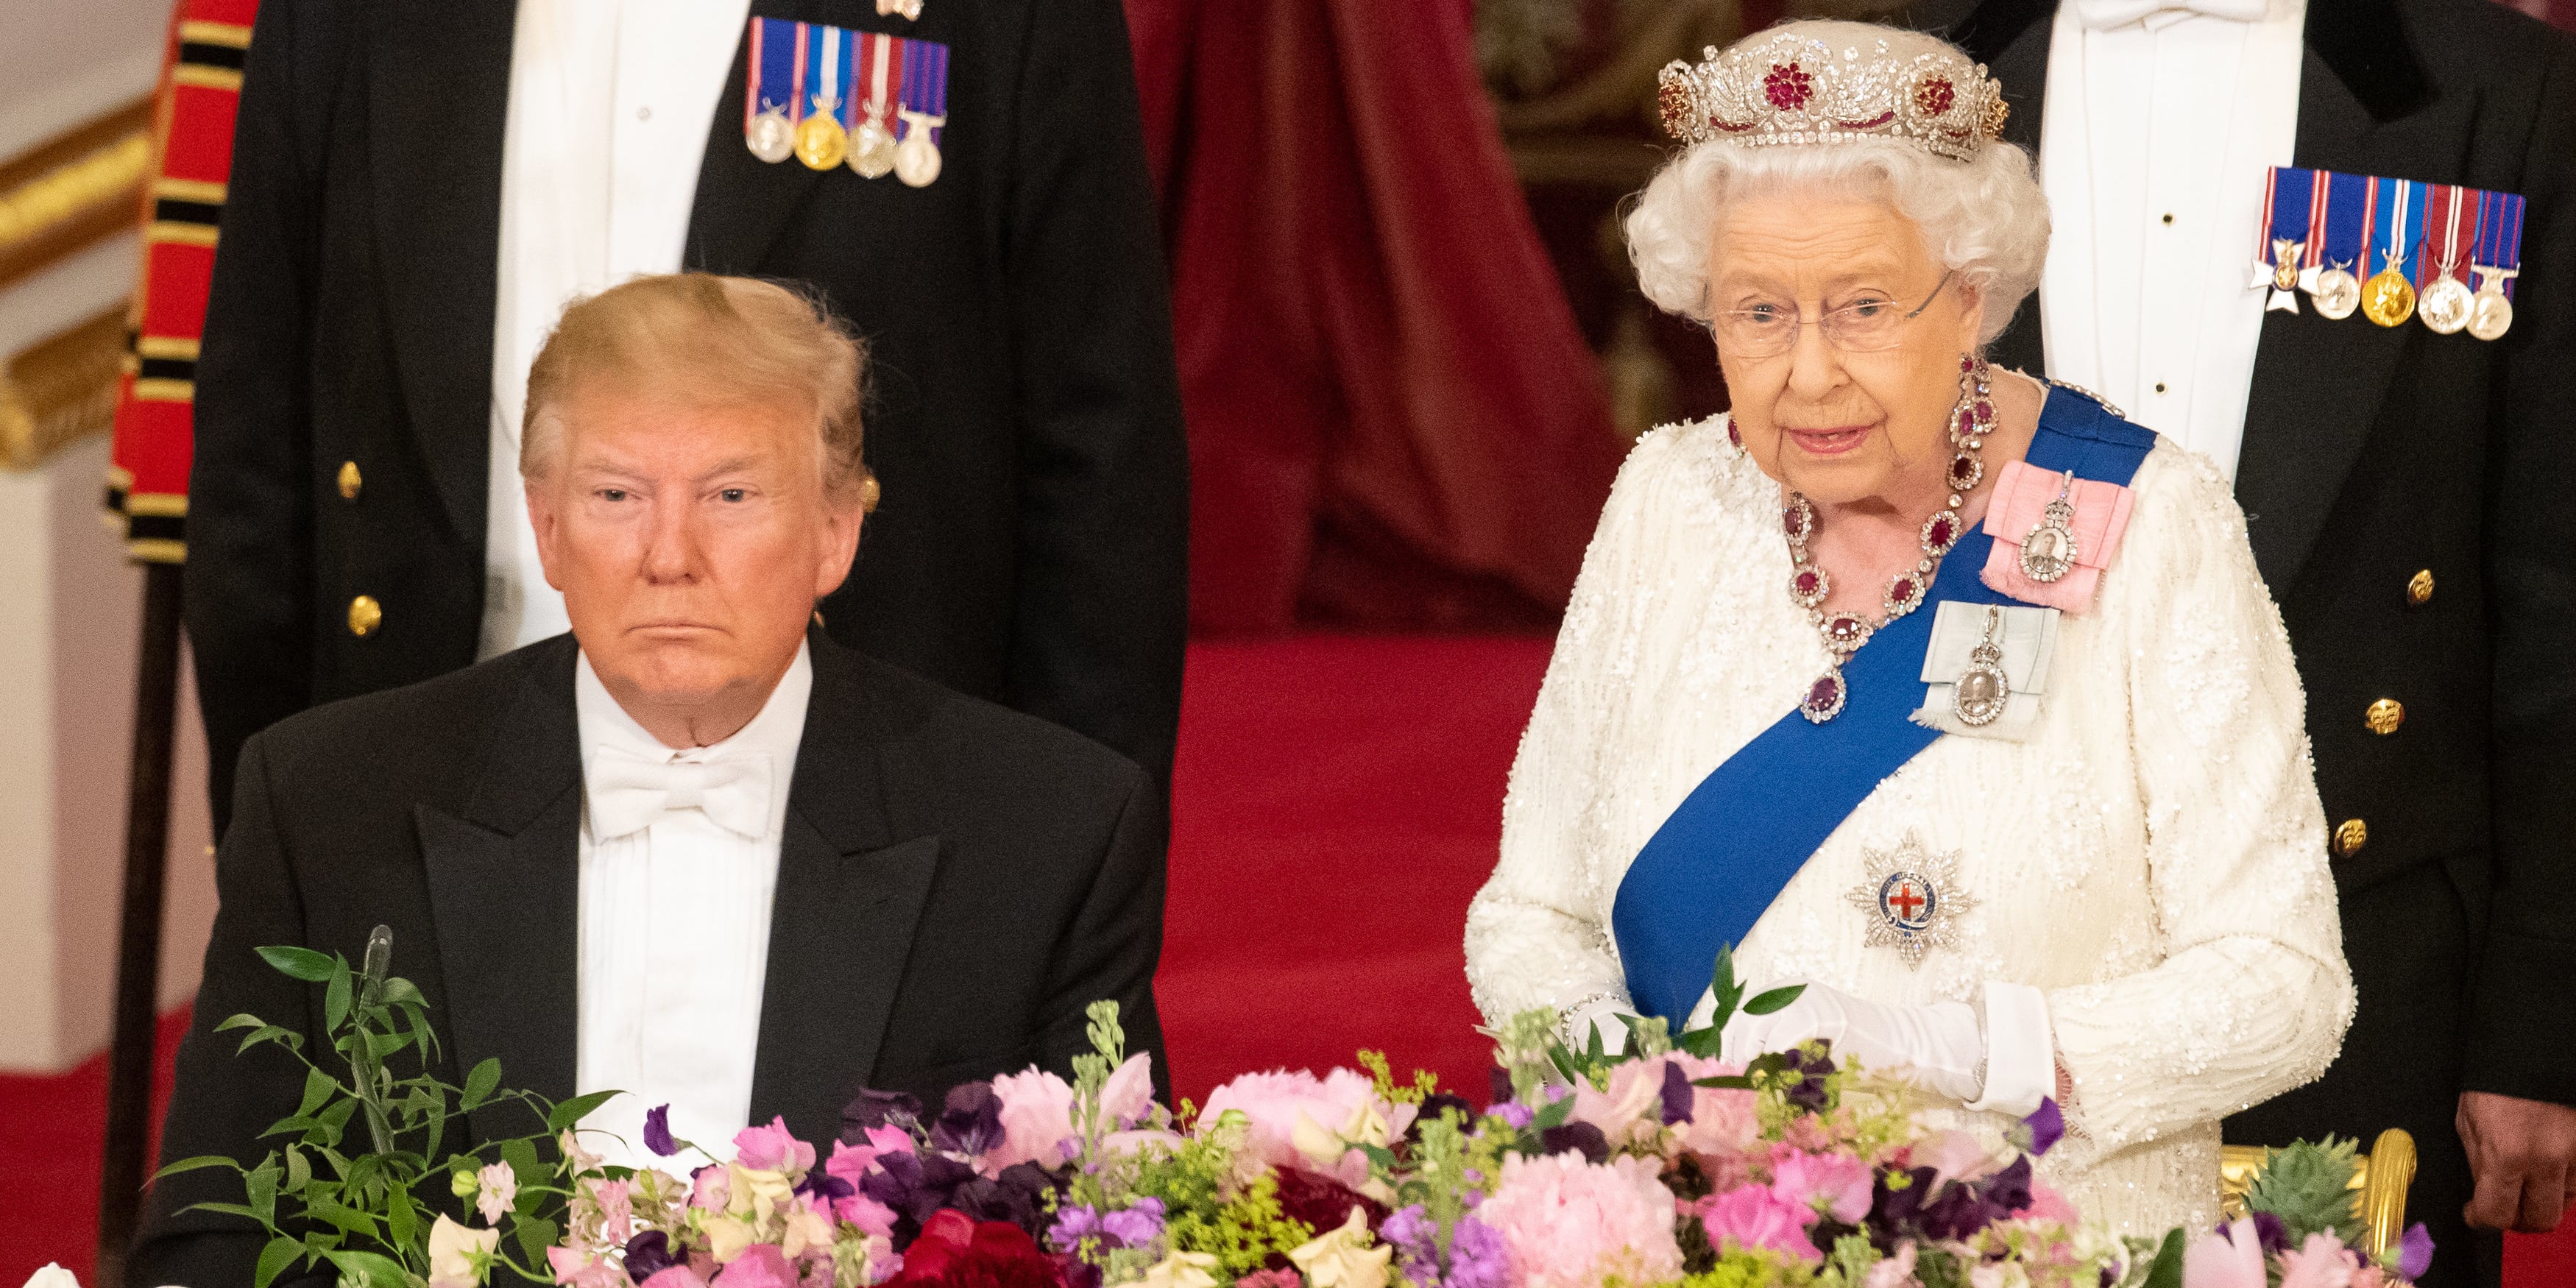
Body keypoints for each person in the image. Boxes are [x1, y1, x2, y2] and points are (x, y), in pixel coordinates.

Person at [1463, 22, 2354, 1237]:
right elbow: (1534, 916)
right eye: (1758, 313)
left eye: (1865, 306)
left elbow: (2285, 984)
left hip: (2042, 1249)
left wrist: (1973, 1052)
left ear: (1973, 299)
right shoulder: (1666, 498)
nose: (1809, 373)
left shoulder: (2150, 521)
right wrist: (1627, 1092)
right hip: (1714, 1243)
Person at [130, 275, 1170, 1287]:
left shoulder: (1048, 833)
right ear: (545, 527)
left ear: (836, 530)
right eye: (618, 495)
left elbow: (1113, 1240)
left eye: (731, 494)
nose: (670, 555)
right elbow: (213, 1236)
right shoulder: (327, 805)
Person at [1903, 0, 2576, 1277]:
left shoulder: (2499, 86)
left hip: (2363, 956)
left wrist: (2540, 1018)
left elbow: (2556, 588)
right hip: (1979, 957)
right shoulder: (1925, 65)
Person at [183, 0, 1188, 839]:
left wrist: (1071, 899)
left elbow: (1099, 472)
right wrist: (285, 869)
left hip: (867, 830)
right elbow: (257, 451)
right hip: (439, 807)